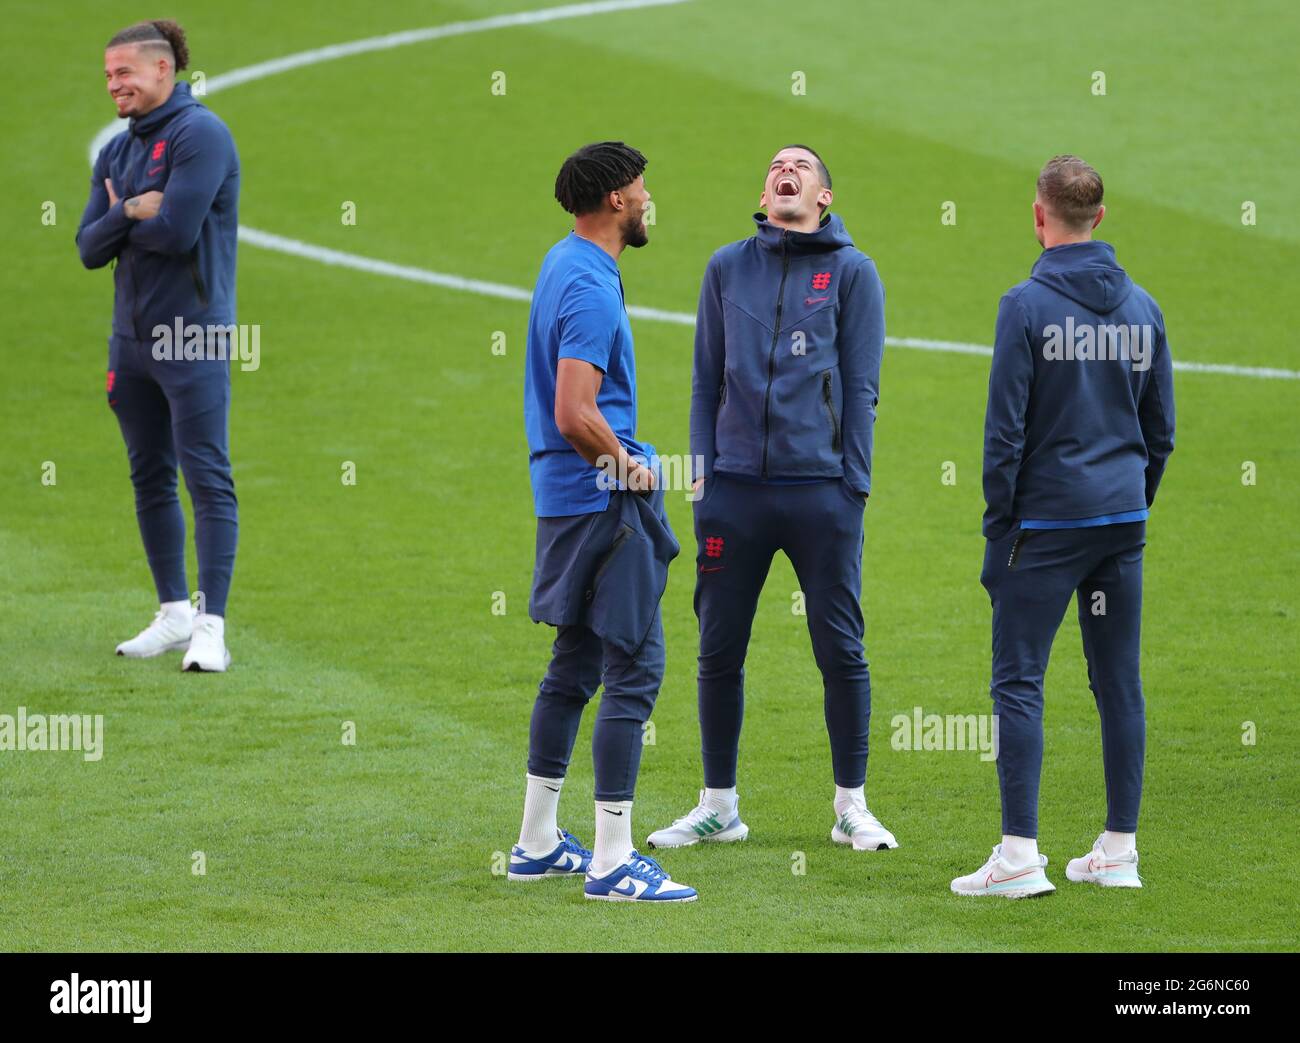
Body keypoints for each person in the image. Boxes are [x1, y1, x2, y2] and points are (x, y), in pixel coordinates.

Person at [647, 146, 895, 853]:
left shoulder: (852, 272)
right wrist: (702, 474)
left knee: (840, 647)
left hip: (822, 494)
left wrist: (854, 484)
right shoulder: (726, 267)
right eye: (776, 165)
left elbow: (863, 384)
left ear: (823, 196)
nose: (785, 169)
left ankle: (852, 805)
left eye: (802, 166)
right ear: (767, 191)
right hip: (733, 495)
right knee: (719, 650)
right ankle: (718, 806)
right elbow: (704, 379)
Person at [951, 155, 1175, 898]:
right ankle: (1119, 848)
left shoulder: (1025, 306)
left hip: (1044, 527)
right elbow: (1161, 431)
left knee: (1018, 681)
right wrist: (1130, 501)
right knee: (1119, 684)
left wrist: (997, 533)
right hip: (1120, 524)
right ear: (1100, 218)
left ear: (1038, 215)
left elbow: (1002, 437)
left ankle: (1019, 855)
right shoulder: (1145, 309)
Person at [508, 142, 696, 903]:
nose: (651, 197)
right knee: (633, 665)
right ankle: (615, 859)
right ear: (617, 198)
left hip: (565, 497)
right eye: (643, 186)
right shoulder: (589, 284)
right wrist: (632, 468)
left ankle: (537, 840)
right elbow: (574, 408)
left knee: (575, 665)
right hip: (600, 501)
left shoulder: (564, 260)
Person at [77, 19, 240, 672]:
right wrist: (127, 211)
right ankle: (172, 610)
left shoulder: (201, 135)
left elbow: (175, 233)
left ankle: (211, 624)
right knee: (148, 474)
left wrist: (136, 216)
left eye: (126, 73)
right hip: (132, 341)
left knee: (205, 476)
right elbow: (89, 247)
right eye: (109, 75)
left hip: (192, 333)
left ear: (164, 70)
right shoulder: (117, 151)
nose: (115, 84)